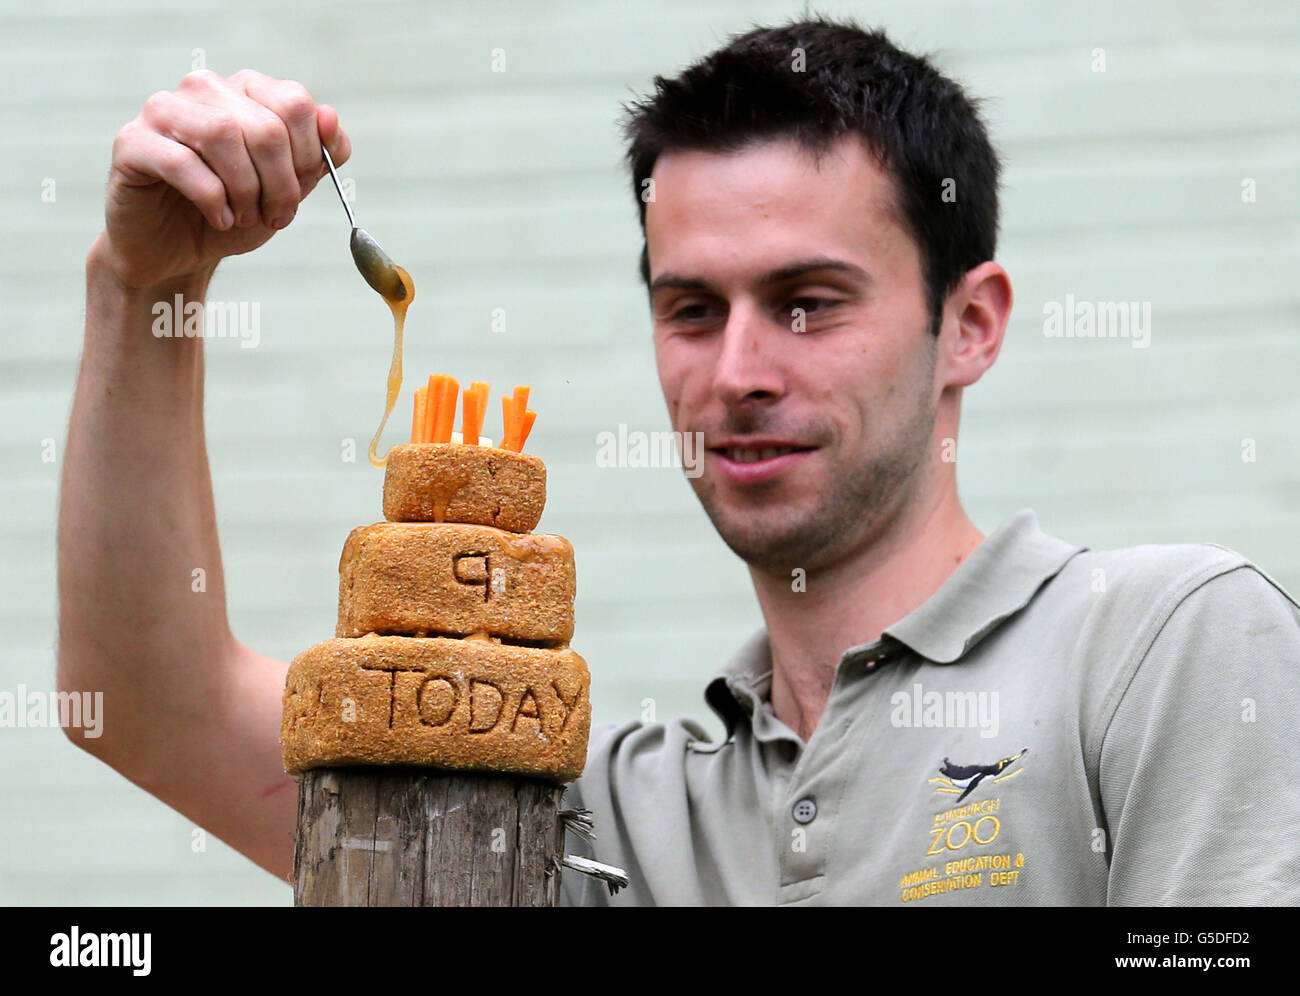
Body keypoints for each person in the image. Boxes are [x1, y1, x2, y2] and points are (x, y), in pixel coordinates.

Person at [58, 18, 1300, 907]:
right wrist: (146, 286)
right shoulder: (601, 808)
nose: (739, 369)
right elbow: (148, 706)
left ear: (968, 325)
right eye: (692, 309)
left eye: (809, 302)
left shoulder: (1162, 649)